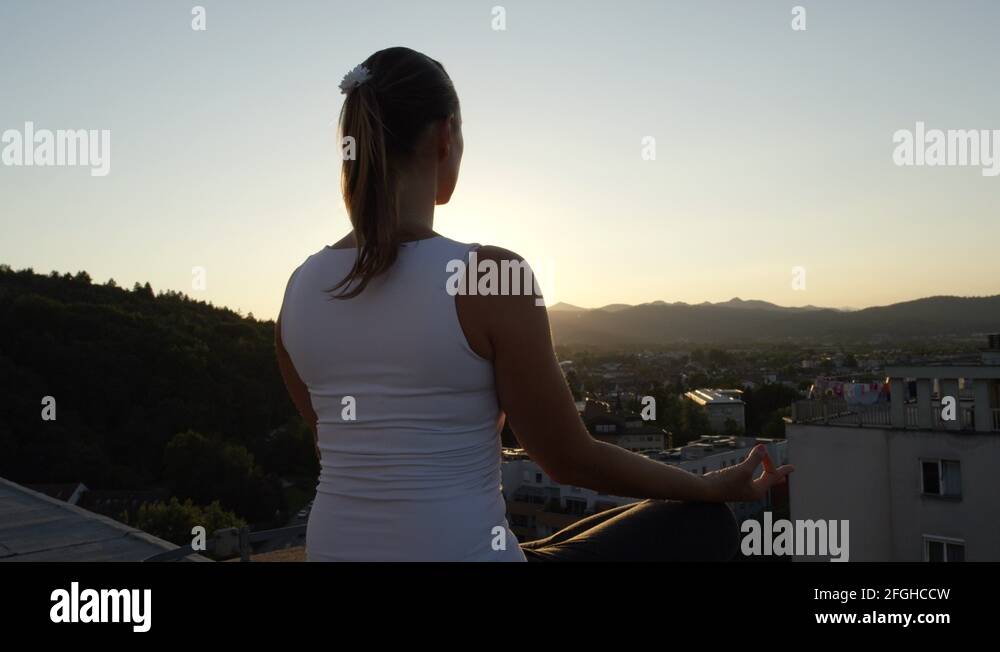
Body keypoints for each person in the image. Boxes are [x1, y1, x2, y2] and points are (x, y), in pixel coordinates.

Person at [275, 46, 793, 561]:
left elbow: (340, 447)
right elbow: (570, 461)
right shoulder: (491, 276)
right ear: (444, 135)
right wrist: (710, 487)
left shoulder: (299, 290)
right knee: (703, 522)